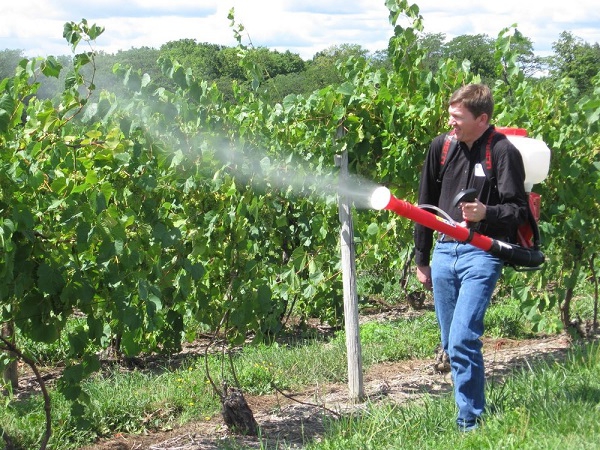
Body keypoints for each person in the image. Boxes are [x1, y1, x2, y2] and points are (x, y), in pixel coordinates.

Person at [414, 83, 529, 431]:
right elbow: (424, 205)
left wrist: (485, 213)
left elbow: (519, 211)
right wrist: (422, 256)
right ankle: (472, 409)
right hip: (445, 250)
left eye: (458, 118)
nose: (451, 124)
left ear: (482, 119)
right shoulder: (442, 147)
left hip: (482, 251)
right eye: (450, 116)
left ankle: (469, 422)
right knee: (452, 343)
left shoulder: (503, 152)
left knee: (464, 338)